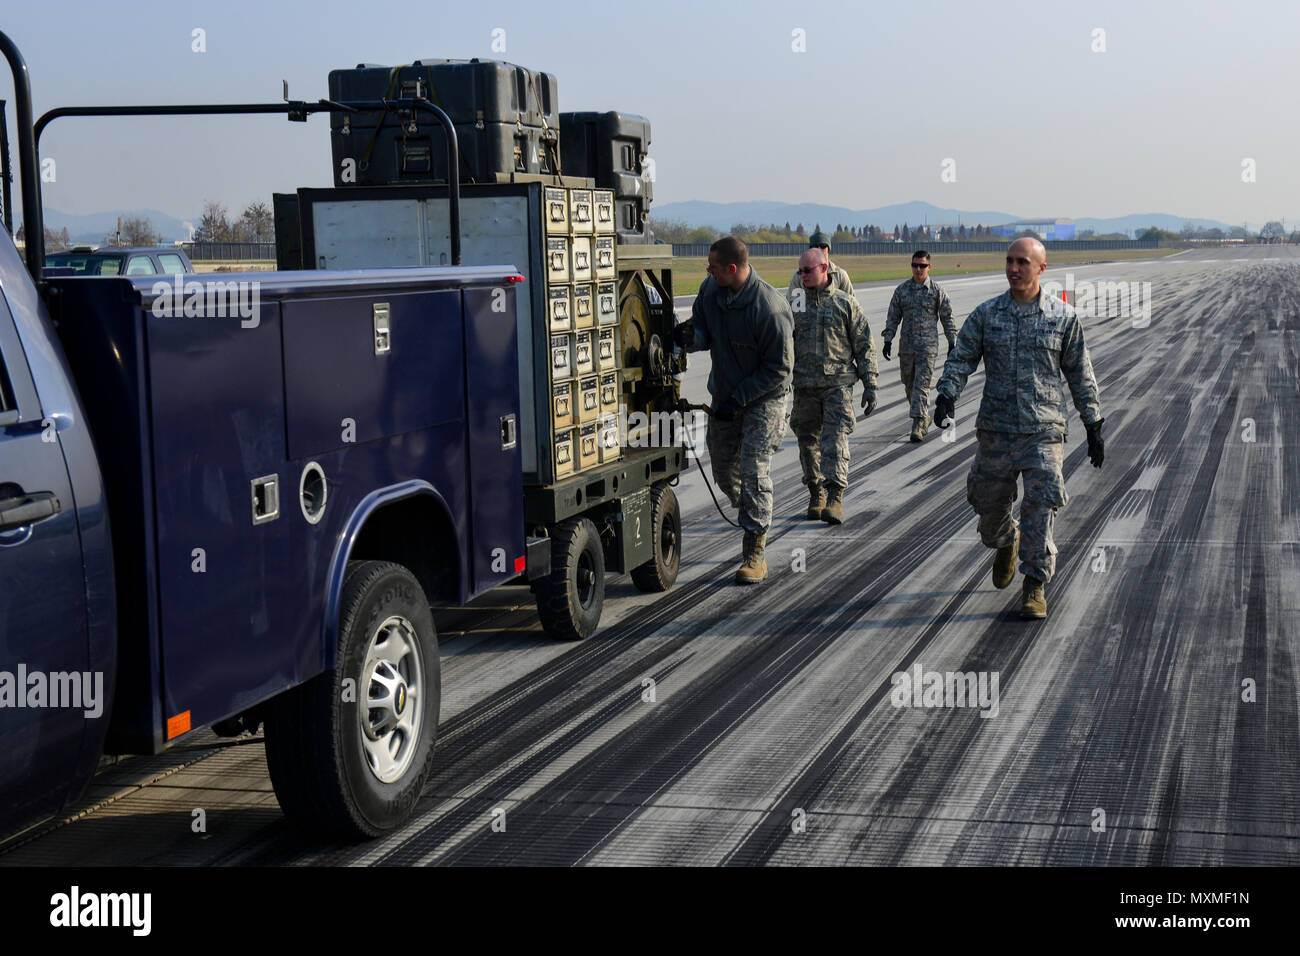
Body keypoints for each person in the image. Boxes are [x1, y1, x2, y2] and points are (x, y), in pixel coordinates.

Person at [933, 237, 1104, 619]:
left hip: (1044, 431)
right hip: (996, 430)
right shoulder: (987, 315)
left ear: (1041, 268)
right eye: (1009, 261)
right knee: (988, 507)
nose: (1013, 269)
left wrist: (1093, 422)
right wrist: (946, 394)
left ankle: (1034, 585)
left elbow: (1080, 374)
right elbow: (961, 358)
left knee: (1041, 505)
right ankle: (1006, 541)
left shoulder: (1062, 318)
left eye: (1022, 262)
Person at [673, 236, 794, 584]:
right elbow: (704, 332)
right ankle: (756, 509)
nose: (706, 270)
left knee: (753, 470)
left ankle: (755, 549)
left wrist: (738, 398)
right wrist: (689, 337)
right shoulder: (711, 290)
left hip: (764, 398)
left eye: (712, 266)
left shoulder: (769, 308)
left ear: (732, 268)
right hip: (726, 395)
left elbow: (779, 370)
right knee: (725, 471)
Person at [787, 249, 877, 523]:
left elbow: (864, 344)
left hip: (837, 385)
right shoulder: (796, 304)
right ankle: (816, 493)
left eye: (808, 270)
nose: (802, 276)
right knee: (807, 442)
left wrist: (870, 383)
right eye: (800, 271)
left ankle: (835, 497)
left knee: (835, 441)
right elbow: (781, 342)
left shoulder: (845, 303)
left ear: (825, 268)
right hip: (804, 385)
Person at [882, 250, 957, 442]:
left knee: (921, 386)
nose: (918, 269)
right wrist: (888, 339)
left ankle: (917, 424)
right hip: (906, 347)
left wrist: (952, 341)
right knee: (908, 384)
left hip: (927, 347)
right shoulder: (902, 290)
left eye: (922, 265)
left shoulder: (936, 291)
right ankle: (924, 416)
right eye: (915, 265)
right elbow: (893, 317)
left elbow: (947, 317)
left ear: (929, 267)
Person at [788, 230, 854, 297]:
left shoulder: (840, 275)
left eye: (822, 246)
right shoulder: (799, 277)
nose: (819, 249)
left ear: (828, 249)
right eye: (815, 246)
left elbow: (851, 302)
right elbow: (790, 303)